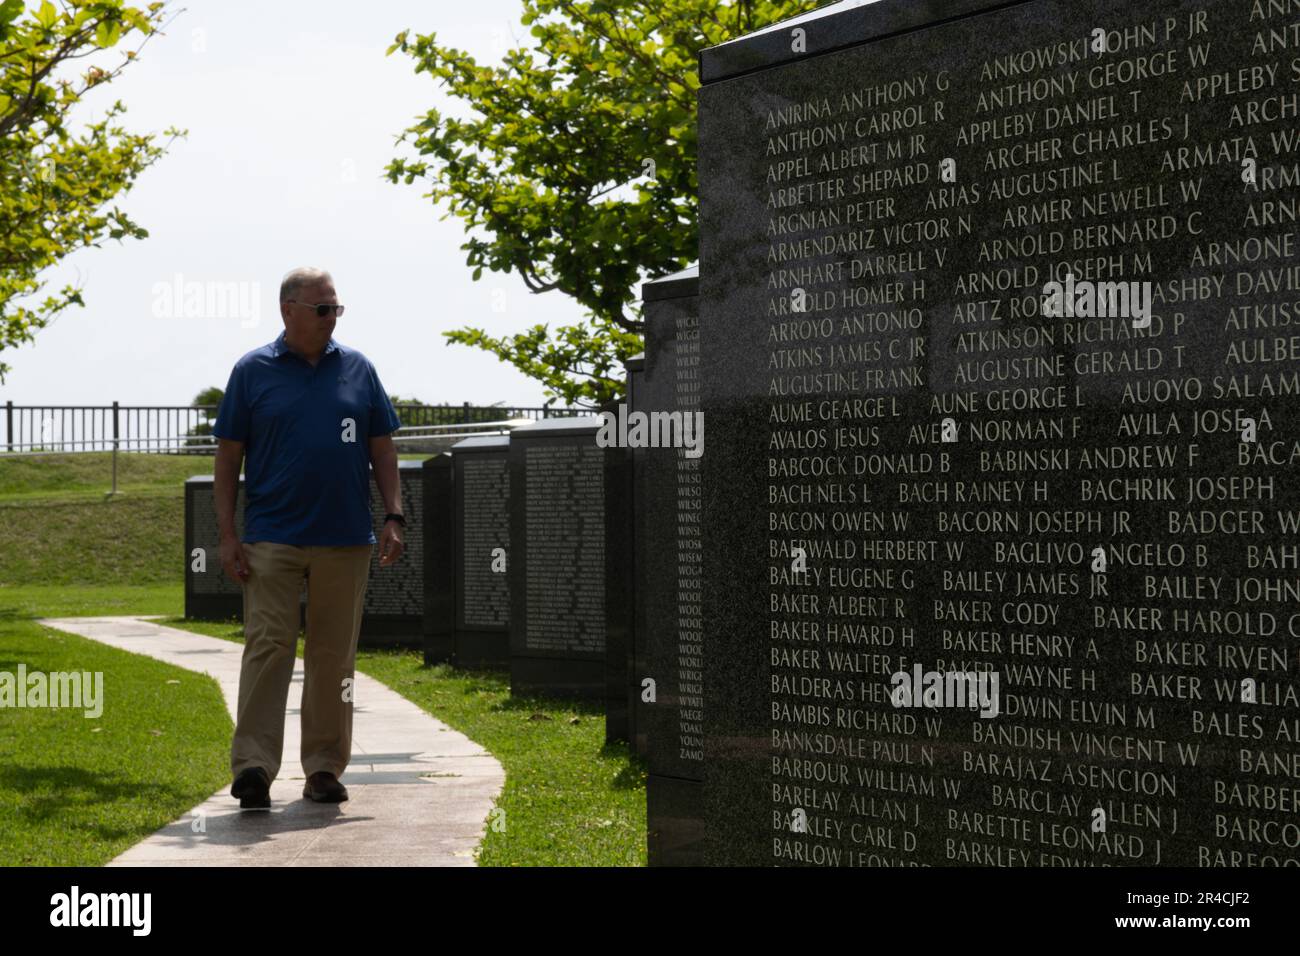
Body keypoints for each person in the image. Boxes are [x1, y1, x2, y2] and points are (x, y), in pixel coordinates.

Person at [211, 266, 405, 809]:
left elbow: (382, 448)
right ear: (287, 310)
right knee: (268, 647)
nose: (331, 318)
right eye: (322, 309)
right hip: (271, 537)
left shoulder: (359, 370)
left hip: (346, 538)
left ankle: (323, 768)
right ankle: (253, 766)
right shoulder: (252, 371)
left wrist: (394, 516)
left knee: (331, 656)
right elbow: (228, 459)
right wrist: (227, 535)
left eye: (336, 309)